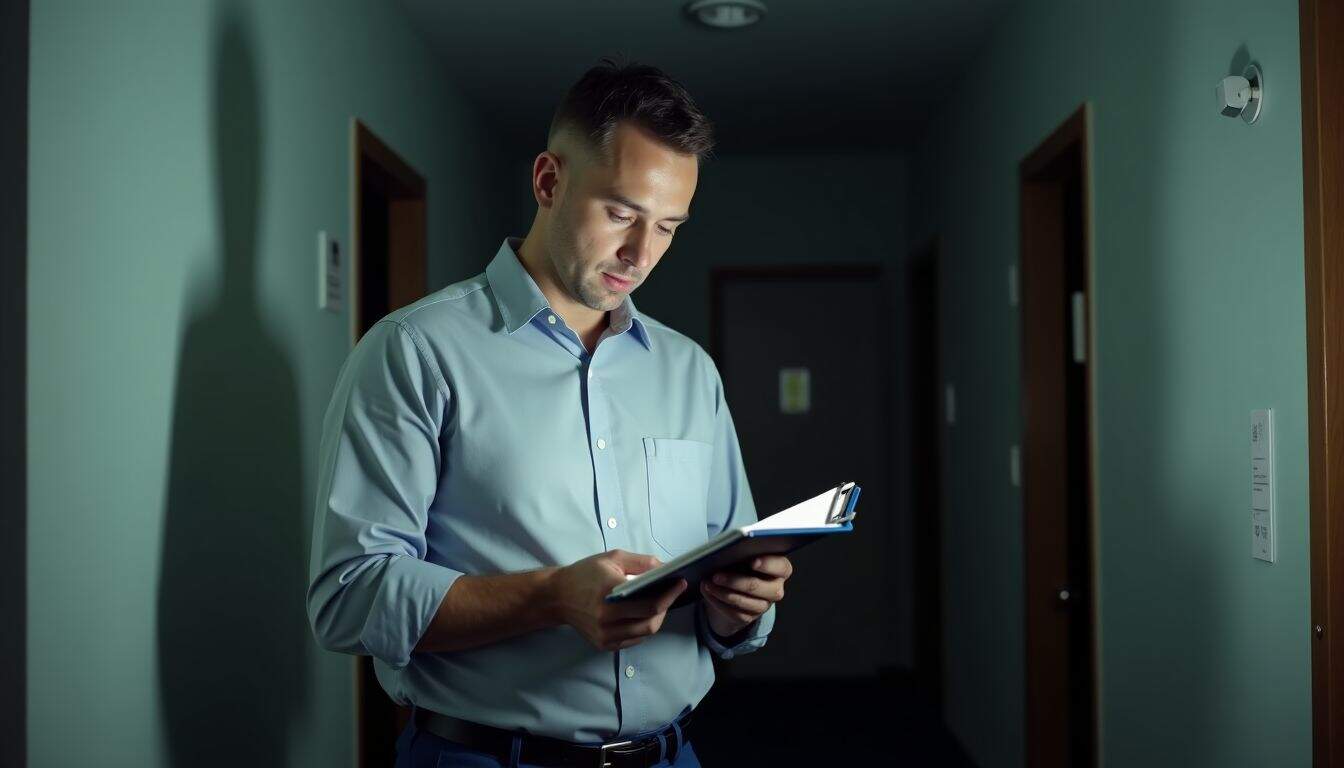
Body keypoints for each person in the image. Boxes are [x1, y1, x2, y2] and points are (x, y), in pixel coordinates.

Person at [306, 58, 794, 768]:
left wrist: (739, 608)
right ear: (548, 180)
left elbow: (728, 575)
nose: (641, 252)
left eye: (667, 226)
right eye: (621, 214)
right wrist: (551, 598)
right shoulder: (414, 352)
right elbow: (348, 598)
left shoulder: (691, 372)